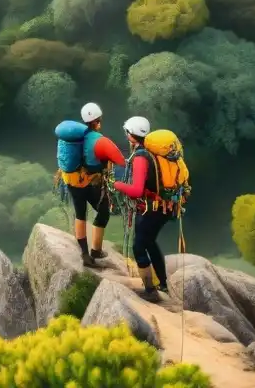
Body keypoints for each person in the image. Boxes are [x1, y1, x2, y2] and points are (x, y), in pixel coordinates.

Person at [113, 116, 190, 303]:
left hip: (151, 209)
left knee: (139, 247)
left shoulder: (141, 156)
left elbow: (137, 190)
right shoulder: (155, 151)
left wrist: (116, 184)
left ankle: (150, 290)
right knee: (149, 242)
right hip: (165, 207)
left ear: (131, 135)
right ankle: (162, 282)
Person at [56, 102, 126, 267]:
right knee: (103, 210)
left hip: (71, 180)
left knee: (80, 214)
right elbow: (121, 161)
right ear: (98, 120)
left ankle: (86, 255)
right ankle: (96, 250)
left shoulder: (74, 138)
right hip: (90, 182)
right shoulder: (99, 140)